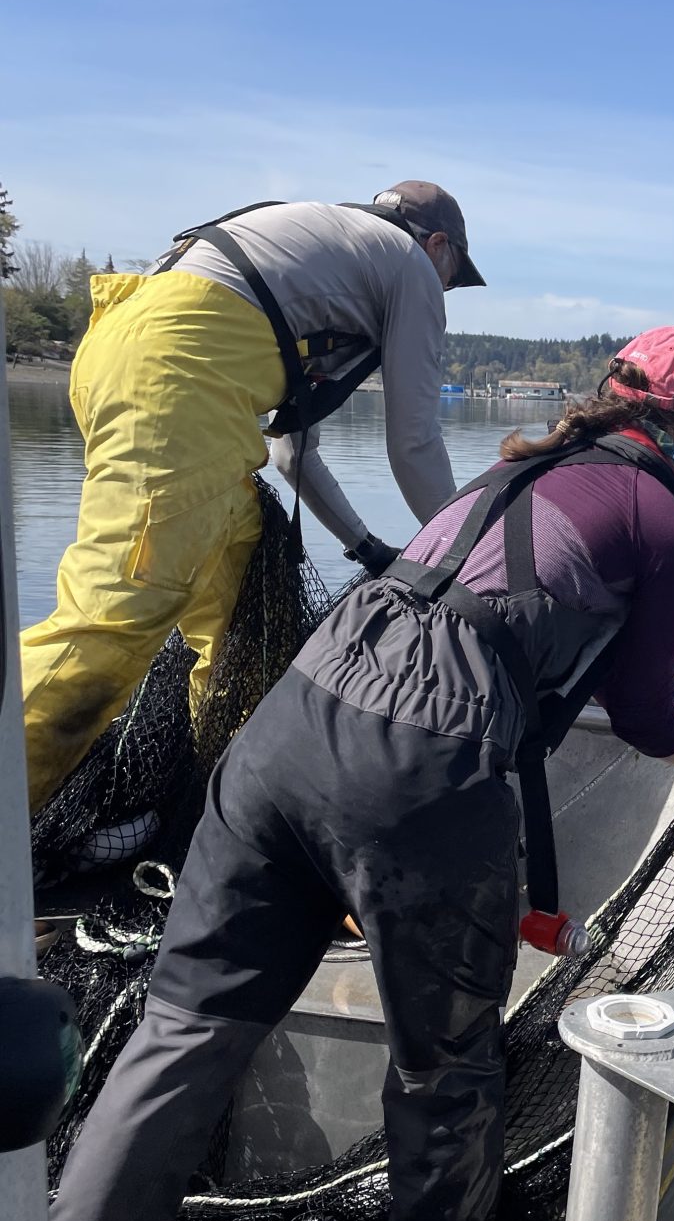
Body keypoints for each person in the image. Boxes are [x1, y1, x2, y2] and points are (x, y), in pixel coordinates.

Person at [50, 325, 674, 1221]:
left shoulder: (507, 471)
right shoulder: (667, 531)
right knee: (446, 1075)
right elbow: (649, 721)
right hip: (421, 777)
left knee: (185, 1031)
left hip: (285, 733)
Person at [20, 182, 482, 812]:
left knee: (244, 593)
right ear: (437, 245)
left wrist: (367, 547)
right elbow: (416, 446)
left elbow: (293, 453)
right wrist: (472, 562)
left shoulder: (321, 246)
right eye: (453, 275)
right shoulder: (410, 266)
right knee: (117, 617)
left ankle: (225, 801)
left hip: (128, 345)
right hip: (181, 372)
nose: (446, 292)